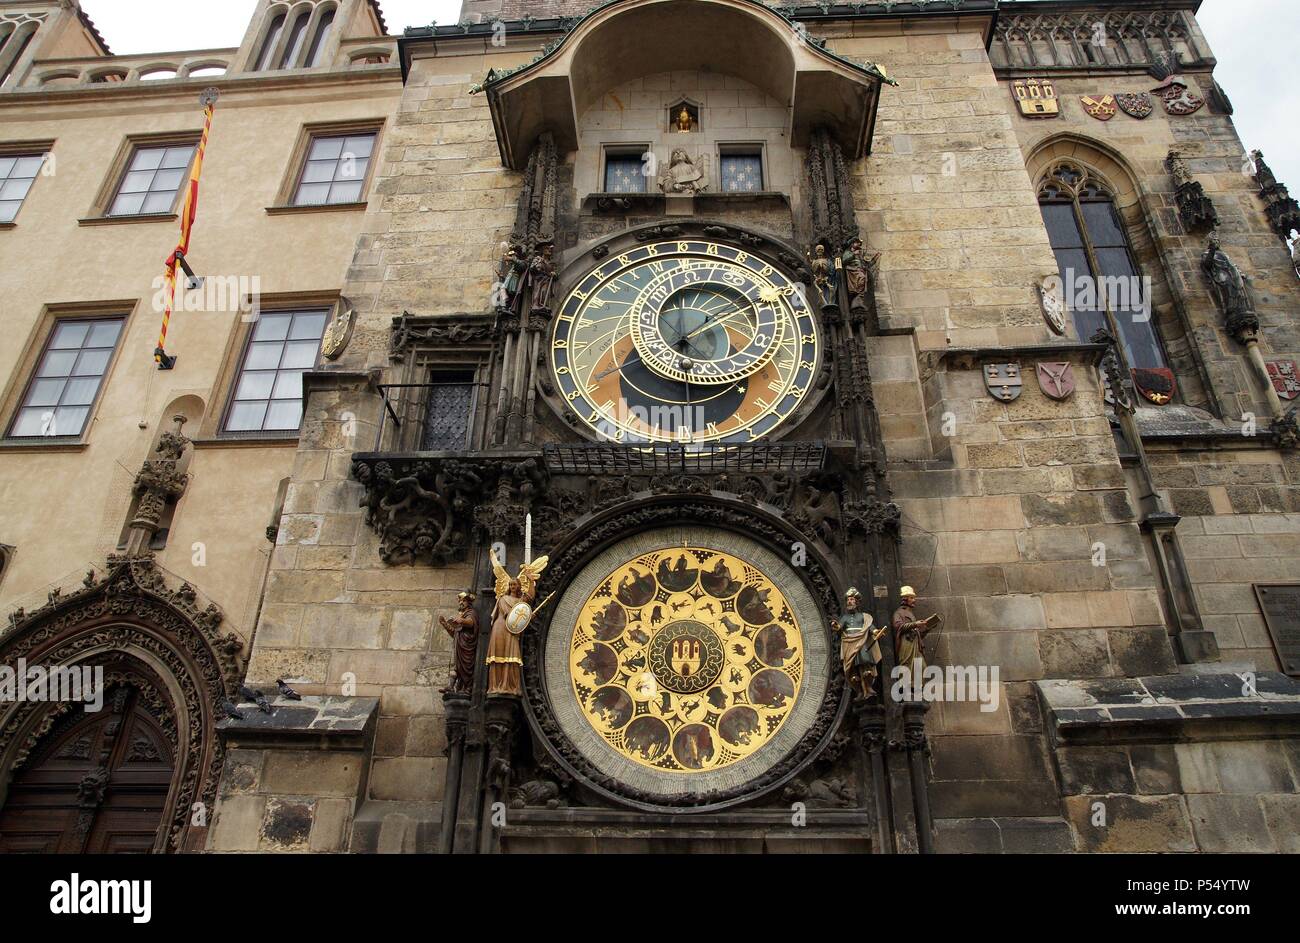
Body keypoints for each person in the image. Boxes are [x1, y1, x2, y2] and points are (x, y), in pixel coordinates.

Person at [831, 588, 885, 699]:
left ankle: (868, 687)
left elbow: (869, 626)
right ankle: (859, 690)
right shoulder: (845, 618)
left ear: (857, 602)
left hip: (861, 642)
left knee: (865, 663)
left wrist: (875, 632)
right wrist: (835, 625)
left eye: (851, 599)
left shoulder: (863, 616)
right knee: (852, 669)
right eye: (848, 600)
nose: (849, 602)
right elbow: (839, 627)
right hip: (849, 643)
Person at [893, 585, 940, 673]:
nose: (914, 600)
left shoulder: (911, 614)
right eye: (911, 598)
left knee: (922, 668)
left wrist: (928, 628)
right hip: (906, 644)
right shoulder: (899, 613)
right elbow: (898, 626)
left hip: (915, 645)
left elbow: (918, 634)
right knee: (907, 668)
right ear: (905, 599)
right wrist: (915, 624)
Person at [439, 591, 479, 694]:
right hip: (458, 645)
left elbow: (470, 623)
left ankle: (468, 688)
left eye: (464, 601)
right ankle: (451, 686)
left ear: (468, 602)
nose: (461, 602)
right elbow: (454, 633)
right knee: (455, 666)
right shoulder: (461, 615)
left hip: (466, 646)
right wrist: (445, 624)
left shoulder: (471, 613)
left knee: (466, 667)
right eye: (460, 601)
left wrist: (461, 620)